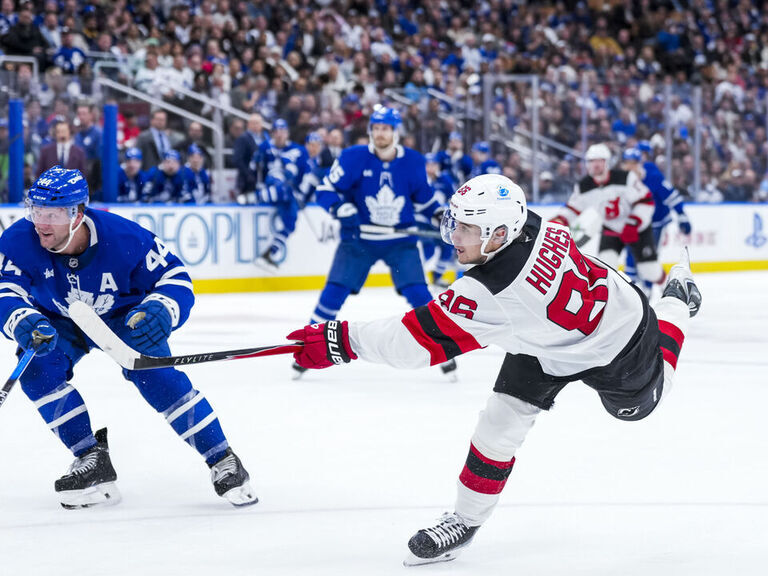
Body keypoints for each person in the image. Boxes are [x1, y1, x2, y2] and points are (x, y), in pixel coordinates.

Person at [287, 173, 702, 565]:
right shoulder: (528, 222)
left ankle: (676, 303)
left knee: (645, 402)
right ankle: (465, 522)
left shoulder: (492, 290)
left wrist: (340, 340)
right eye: (455, 222)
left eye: (465, 228)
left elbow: (410, 344)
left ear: (499, 235)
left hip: (618, 336)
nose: (453, 235)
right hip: (545, 337)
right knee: (498, 425)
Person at [0, 167, 256, 509]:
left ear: (78, 214)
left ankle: (222, 458)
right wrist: (22, 319)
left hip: (125, 317)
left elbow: (175, 277)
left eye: (53, 213)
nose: (41, 223)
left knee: (156, 377)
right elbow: (5, 290)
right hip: (57, 321)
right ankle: (92, 460)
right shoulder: (19, 240)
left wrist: (163, 308)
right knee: (36, 371)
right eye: (37, 211)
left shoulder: (124, 237)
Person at [295, 106, 455, 381]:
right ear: (370, 130)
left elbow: (425, 199)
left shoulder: (413, 161)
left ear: (395, 132)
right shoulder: (353, 157)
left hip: (400, 241)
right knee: (333, 295)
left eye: (386, 128)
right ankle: (307, 348)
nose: (380, 133)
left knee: (419, 296)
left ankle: (444, 349)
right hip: (359, 240)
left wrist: (439, 214)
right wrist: (338, 208)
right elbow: (325, 190)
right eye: (376, 128)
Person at [551, 143, 665, 286]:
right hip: (611, 229)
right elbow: (572, 209)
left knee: (649, 270)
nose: (596, 165)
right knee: (606, 267)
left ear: (607, 162)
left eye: (600, 160)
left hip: (637, 229)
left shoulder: (626, 178)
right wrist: (558, 221)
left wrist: (634, 222)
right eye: (592, 161)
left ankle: (666, 285)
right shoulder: (583, 186)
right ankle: (615, 302)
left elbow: (646, 202)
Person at [622, 145, 692, 293]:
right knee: (630, 254)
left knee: (648, 256)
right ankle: (630, 290)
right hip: (634, 224)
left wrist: (681, 214)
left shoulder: (653, 175)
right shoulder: (623, 179)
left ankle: (648, 289)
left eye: (633, 163)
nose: (629, 166)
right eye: (626, 162)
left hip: (655, 224)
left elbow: (671, 195)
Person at [250, 118, 310, 271]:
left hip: (289, 193)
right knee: (278, 180)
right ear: (272, 133)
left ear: (287, 133)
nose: (280, 135)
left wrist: (301, 193)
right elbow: (256, 169)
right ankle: (255, 196)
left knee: (290, 223)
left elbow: (304, 173)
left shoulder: (298, 150)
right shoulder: (265, 147)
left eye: (283, 131)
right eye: (277, 131)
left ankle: (269, 253)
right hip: (273, 184)